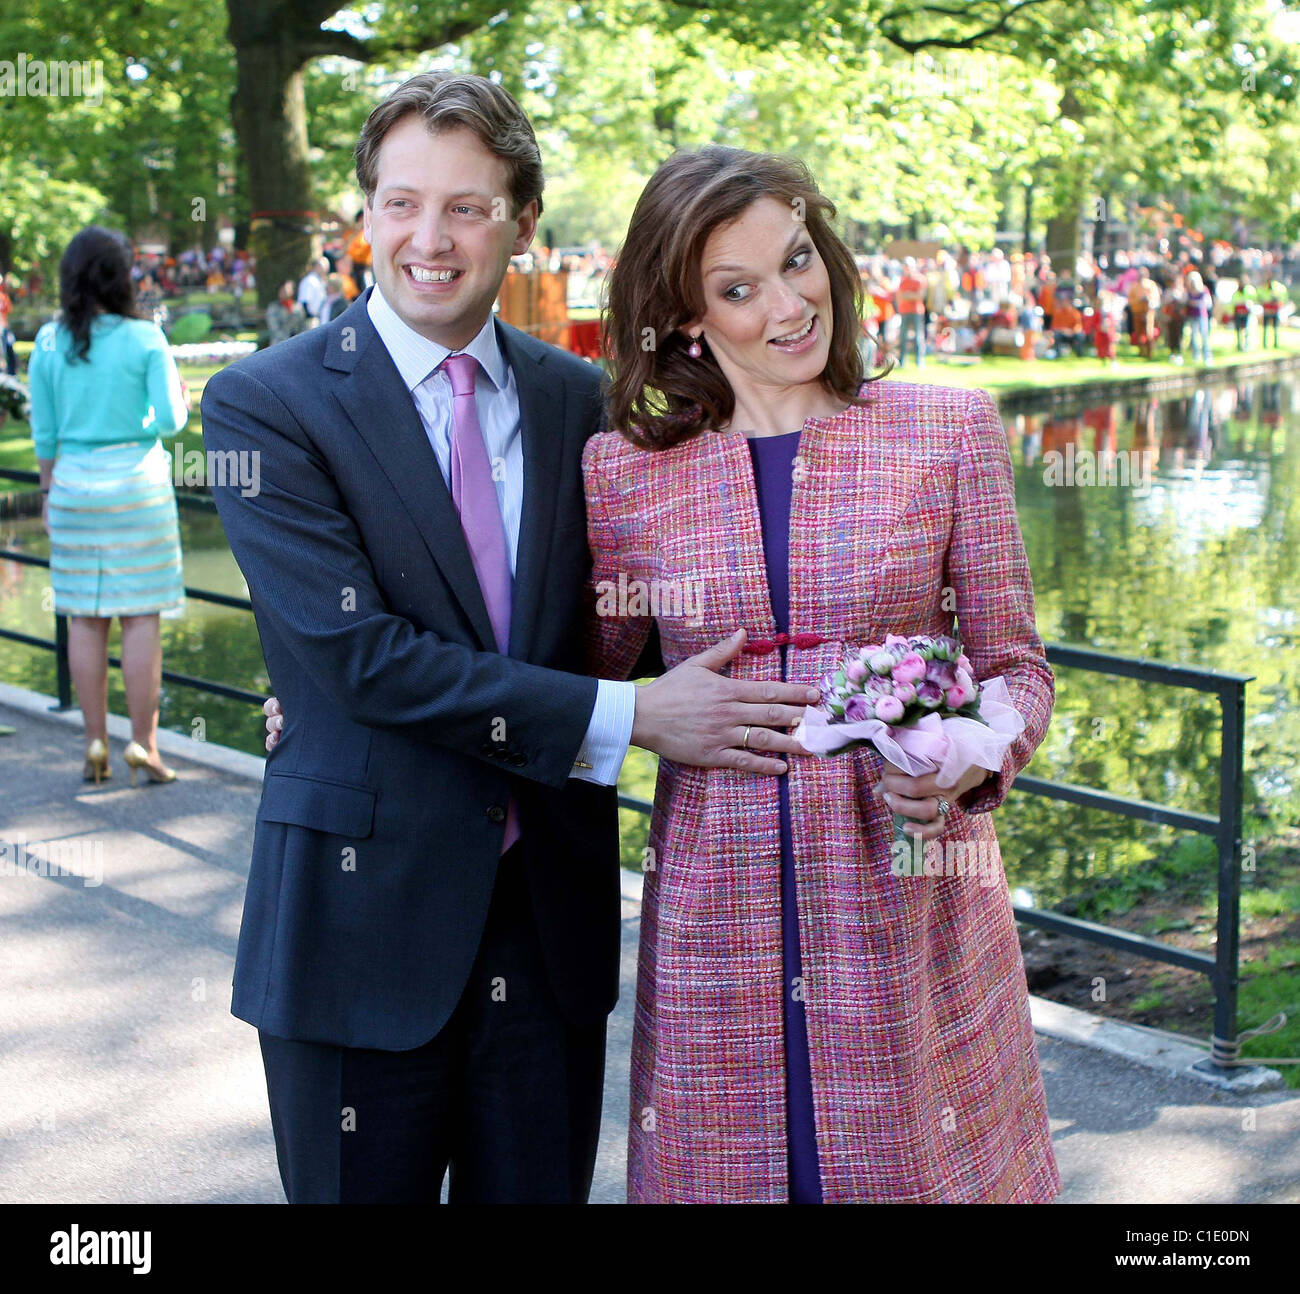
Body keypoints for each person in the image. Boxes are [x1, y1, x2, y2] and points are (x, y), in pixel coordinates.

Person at [204, 72, 817, 1206]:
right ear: (365, 215)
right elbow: (358, 657)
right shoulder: (264, 407)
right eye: (400, 203)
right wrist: (633, 718)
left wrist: (911, 708)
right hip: (358, 936)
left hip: (546, 939)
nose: (428, 238)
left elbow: (650, 614)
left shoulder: (584, 403)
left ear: (522, 224)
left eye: (467, 208)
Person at [590, 145, 1060, 1203]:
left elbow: (1016, 666)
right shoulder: (622, 472)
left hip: (910, 901)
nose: (788, 304)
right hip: (717, 910)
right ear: (685, 316)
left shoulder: (946, 431)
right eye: (737, 288)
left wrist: (972, 759)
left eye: (796, 260)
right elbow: (581, 685)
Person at [26, 227, 188, 788]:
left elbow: (43, 433)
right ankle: (144, 746)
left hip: (71, 487)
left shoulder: (49, 342)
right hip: (136, 487)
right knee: (141, 616)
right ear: (124, 277)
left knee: (85, 619)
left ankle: (94, 739)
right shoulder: (145, 339)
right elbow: (170, 421)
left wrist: (49, 495)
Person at [894, 257, 926, 368]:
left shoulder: (920, 279)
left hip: (916, 311)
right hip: (904, 311)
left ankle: (919, 361)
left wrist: (907, 295)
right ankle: (902, 361)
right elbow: (900, 295)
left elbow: (920, 295)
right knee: (903, 337)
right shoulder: (903, 280)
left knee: (918, 336)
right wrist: (910, 295)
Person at [1185, 269, 1214, 364]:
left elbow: (1208, 303)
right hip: (1192, 315)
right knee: (1194, 336)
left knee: (1204, 336)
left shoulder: (1203, 290)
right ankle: (1196, 356)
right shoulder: (1188, 291)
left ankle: (1207, 356)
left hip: (1202, 316)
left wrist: (1195, 303)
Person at [264, 280, 306, 345]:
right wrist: (287, 340)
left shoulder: (298, 307)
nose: (285, 291)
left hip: (296, 343)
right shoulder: (273, 307)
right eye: (283, 289)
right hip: (279, 343)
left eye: (288, 289)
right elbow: (274, 328)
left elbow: (302, 326)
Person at [296, 257, 329, 325]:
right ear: (316, 266)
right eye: (323, 265)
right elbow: (304, 302)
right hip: (310, 321)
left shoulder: (320, 281)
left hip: (318, 320)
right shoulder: (309, 280)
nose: (326, 268)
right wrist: (310, 318)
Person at [1258, 273, 1288, 348]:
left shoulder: (1277, 288)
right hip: (1266, 311)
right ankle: (1264, 344)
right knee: (1265, 328)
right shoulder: (1263, 288)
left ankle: (1275, 344)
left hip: (1274, 311)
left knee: (1275, 328)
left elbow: (1282, 298)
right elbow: (1260, 298)